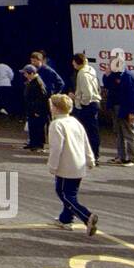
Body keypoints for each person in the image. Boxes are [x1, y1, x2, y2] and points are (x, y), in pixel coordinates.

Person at [47, 94, 98, 233]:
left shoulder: (56, 124)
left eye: (52, 105)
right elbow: (85, 141)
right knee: (71, 194)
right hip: (79, 164)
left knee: (63, 193)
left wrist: (52, 166)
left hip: (66, 165)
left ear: (56, 108)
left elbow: (56, 148)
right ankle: (65, 219)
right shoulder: (75, 122)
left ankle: (87, 216)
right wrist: (90, 159)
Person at [102, 56, 134, 165]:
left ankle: (133, 159)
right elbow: (107, 85)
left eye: (111, 63)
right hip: (115, 107)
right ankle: (122, 156)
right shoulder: (115, 75)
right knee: (119, 133)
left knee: (129, 133)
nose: (109, 65)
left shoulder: (128, 77)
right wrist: (106, 75)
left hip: (126, 108)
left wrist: (133, 111)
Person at [69, 53, 101, 158]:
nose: (72, 64)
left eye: (73, 62)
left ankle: (92, 155)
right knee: (93, 131)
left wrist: (78, 100)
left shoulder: (82, 74)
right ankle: (94, 154)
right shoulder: (91, 70)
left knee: (88, 131)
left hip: (88, 105)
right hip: (94, 103)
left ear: (76, 62)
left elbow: (87, 94)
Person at [21, 65, 50, 152]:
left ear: (32, 73)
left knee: (37, 127)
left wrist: (38, 110)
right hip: (31, 108)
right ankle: (33, 143)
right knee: (32, 126)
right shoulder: (32, 81)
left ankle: (38, 144)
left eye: (25, 73)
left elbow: (42, 97)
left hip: (36, 109)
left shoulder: (37, 82)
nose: (24, 75)